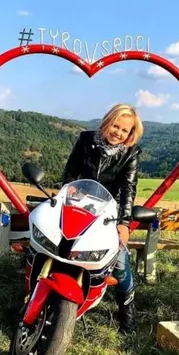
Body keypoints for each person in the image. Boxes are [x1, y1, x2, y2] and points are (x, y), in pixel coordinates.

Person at [63, 103, 143, 334]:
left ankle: (127, 313)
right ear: (107, 122)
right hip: (80, 202)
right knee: (60, 244)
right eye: (115, 126)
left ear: (131, 133)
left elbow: (128, 189)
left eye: (125, 130)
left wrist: (124, 223)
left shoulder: (131, 153)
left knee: (119, 261)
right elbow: (70, 171)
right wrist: (70, 189)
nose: (118, 133)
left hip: (110, 209)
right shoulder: (86, 139)